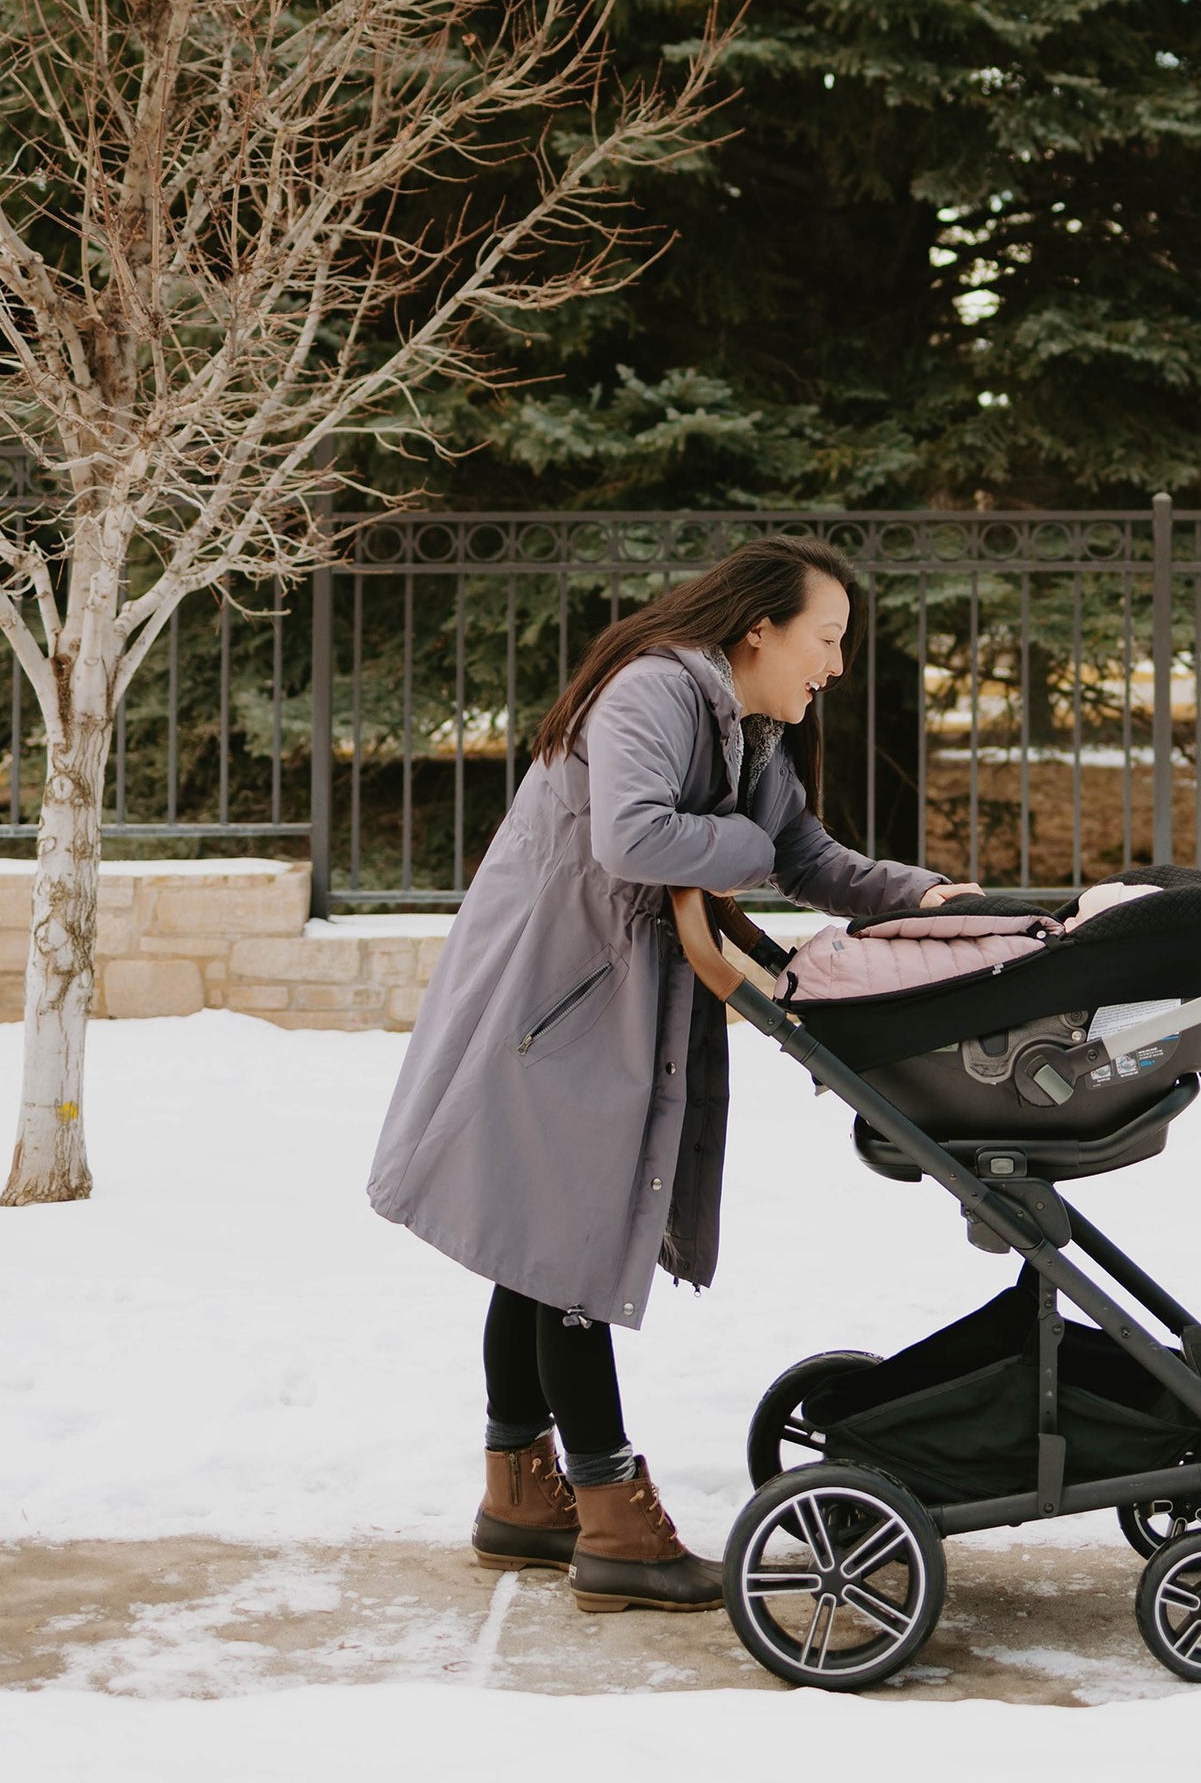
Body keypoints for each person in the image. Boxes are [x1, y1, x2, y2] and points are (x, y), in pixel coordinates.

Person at [366, 536, 981, 1615]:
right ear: (760, 630)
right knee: (570, 1246)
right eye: (827, 638)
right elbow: (635, 836)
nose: (836, 665)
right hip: (549, 1001)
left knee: (541, 1245)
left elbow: (808, 857)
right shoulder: (655, 689)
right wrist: (751, 846)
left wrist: (921, 897)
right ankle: (613, 1523)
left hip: (594, 1000)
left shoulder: (750, 733)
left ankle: (521, 1498)